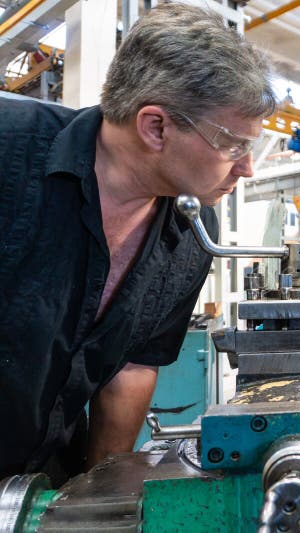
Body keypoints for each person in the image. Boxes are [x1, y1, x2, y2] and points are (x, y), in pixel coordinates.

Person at [0, 3, 276, 485]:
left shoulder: (193, 228)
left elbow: (132, 367)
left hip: (39, 481)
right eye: (234, 145)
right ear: (156, 126)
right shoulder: (9, 153)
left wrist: (96, 495)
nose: (247, 168)